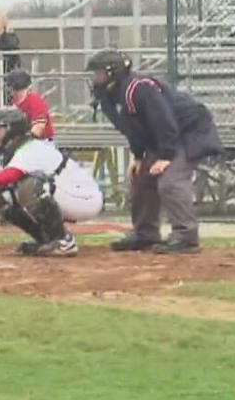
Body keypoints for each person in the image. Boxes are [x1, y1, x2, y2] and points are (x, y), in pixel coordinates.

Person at [87, 49, 223, 254]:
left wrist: (166, 157)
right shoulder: (109, 95)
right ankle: (146, 233)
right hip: (165, 136)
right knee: (141, 179)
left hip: (189, 131)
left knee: (170, 181)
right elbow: (132, 128)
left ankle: (186, 236)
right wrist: (139, 156)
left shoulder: (139, 88)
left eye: (99, 73)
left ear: (113, 72)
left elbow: (164, 121)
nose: (96, 78)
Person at [0, 108, 103, 256]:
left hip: (85, 198)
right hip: (70, 194)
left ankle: (64, 241)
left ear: (10, 129)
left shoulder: (30, 148)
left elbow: (9, 176)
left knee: (30, 185)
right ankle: (46, 239)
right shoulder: (17, 149)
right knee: (0, 192)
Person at [5, 69, 55, 142]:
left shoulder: (35, 102)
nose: (8, 89)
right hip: (24, 141)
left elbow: (38, 129)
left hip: (42, 142)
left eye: (9, 86)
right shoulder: (14, 102)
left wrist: (21, 141)